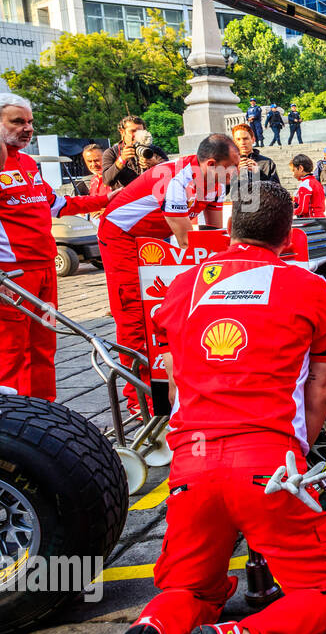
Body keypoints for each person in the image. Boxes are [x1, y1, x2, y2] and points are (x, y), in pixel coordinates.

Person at [109, 181, 326, 634]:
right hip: (268, 466)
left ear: (227, 225)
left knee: (194, 590)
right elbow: (320, 391)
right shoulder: (307, 287)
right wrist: (297, 453)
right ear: (289, 231)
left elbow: (173, 381)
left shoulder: (180, 287)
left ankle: (153, 633)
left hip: (190, 468)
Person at [98, 135, 239, 415]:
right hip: (122, 239)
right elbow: (189, 244)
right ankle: (139, 402)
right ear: (211, 164)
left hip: (155, 238)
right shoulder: (175, 179)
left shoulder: (215, 183)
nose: (237, 171)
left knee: (166, 311)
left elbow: (213, 237)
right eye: (233, 166)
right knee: (136, 318)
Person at [0, 94, 111, 399]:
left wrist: (107, 199)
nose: (27, 128)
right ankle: (13, 425)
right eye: (18, 121)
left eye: (30, 121)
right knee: (11, 354)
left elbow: (55, 204)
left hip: (47, 271)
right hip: (12, 276)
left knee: (44, 347)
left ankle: (45, 416)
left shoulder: (26, 162)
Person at [101, 114, 148, 190]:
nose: (137, 135)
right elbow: (107, 181)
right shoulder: (111, 152)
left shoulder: (154, 150)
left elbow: (170, 173)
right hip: (125, 199)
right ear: (122, 132)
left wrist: (156, 164)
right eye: (132, 131)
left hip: (150, 197)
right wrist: (121, 160)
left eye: (140, 131)